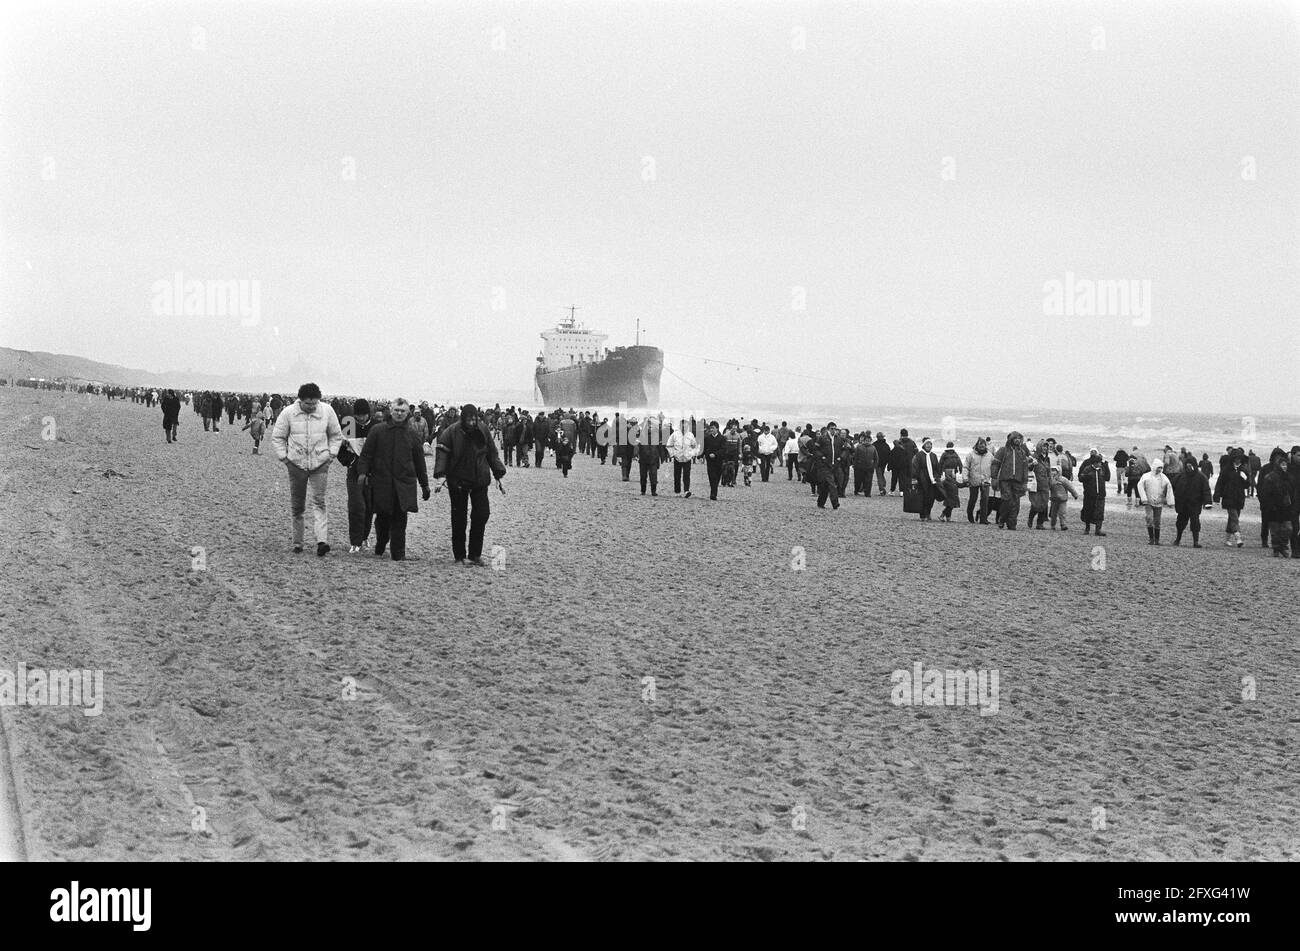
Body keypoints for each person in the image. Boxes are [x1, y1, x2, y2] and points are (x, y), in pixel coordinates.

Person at [270, 382, 343, 556]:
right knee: (297, 506)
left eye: (314, 403)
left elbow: (336, 435)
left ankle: (322, 542)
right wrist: (285, 458)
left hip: (320, 463)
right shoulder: (288, 413)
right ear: (300, 400)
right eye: (307, 403)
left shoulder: (327, 411)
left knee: (319, 502)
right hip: (296, 465)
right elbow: (278, 437)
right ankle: (298, 543)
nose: (311, 407)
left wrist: (331, 455)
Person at [356, 398, 430, 561]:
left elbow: (419, 462)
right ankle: (381, 543)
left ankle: (398, 553)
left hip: (404, 484)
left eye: (402, 411)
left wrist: (424, 485)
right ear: (391, 410)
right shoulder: (377, 430)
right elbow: (366, 455)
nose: (399, 413)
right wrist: (362, 473)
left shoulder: (412, 434)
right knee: (382, 518)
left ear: (407, 413)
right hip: (382, 482)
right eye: (396, 410)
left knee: (400, 518)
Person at [433, 403, 506, 566]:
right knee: (459, 519)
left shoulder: (483, 429)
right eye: (469, 420)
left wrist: (498, 474)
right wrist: (441, 476)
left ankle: (475, 554)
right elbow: (442, 454)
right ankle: (459, 556)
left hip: (479, 480)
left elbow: (492, 453)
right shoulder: (451, 432)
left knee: (482, 515)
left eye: (474, 419)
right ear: (463, 418)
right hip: (457, 480)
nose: (472, 423)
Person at [990, 431, 1029, 530]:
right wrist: (994, 478)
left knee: (1015, 503)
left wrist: (1025, 481)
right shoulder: (1003, 450)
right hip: (1005, 480)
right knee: (1006, 500)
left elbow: (1025, 468)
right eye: (1015, 438)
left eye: (1019, 438)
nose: (1017, 440)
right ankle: (1002, 519)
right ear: (1011, 439)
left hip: (1018, 480)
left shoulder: (1022, 452)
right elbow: (995, 464)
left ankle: (1012, 524)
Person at [1257, 454, 1293, 557]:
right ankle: (1277, 549)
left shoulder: (1288, 477)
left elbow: (1291, 491)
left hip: (1286, 507)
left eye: (1286, 464)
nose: (1284, 467)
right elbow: (1265, 493)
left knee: (1288, 528)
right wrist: (1269, 505)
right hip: (1273, 508)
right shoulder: (1270, 477)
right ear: (1278, 465)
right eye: (1282, 465)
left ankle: (1283, 546)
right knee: (1275, 530)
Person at [1171, 458, 1212, 547]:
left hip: (1195, 504)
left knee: (1195, 523)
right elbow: (1171, 487)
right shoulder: (1180, 476)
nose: (1189, 467)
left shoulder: (1201, 477)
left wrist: (1208, 503)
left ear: (1194, 465)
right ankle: (1178, 539)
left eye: (1191, 465)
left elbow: (1206, 490)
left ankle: (1195, 542)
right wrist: (1170, 498)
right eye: (1187, 465)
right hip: (1182, 504)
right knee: (1180, 523)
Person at [1212, 450, 1249, 548]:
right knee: (1234, 518)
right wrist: (1216, 496)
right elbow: (1220, 483)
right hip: (1228, 497)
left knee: (1232, 519)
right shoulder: (1226, 469)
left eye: (1239, 458)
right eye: (1236, 458)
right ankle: (1238, 538)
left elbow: (1247, 485)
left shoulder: (1243, 470)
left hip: (1239, 498)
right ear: (1233, 459)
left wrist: (1245, 478)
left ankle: (1227, 539)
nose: (1238, 460)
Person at [1137, 458, 1176, 545]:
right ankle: (1151, 539)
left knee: (1157, 521)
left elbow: (1169, 489)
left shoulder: (1164, 478)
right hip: (1148, 502)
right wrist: (1143, 498)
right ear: (1154, 467)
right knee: (1149, 519)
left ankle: (1157, 540)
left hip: (1159, 503)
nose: (1160, 469)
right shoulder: (1146, 476)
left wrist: (1170, 502)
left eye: (1161, 468)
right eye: (1158, 467)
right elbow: (1140, 486)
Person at [806, 425, 840, 510]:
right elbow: (815, 449)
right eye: (832, 429)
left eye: (835, 429)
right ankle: (835, 503)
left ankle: (820, 503)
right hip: (824, 465)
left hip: (834, 465)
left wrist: (841, 457)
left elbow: (844, 449)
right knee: (832, 484)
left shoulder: (838, 439)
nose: (833, 430)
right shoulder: (822, 438)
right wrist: (822, 457)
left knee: (825, 485)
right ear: (828, 429)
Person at [1077, 448, 1110, 536]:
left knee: (1100, 512)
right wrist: (1088, 476)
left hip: (1100, 495)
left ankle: (1098, 530)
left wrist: (1107, 466)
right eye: (1099, 463)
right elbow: (1080, 478)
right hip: (1089, 495)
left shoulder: (1102, 469)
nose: (1100, 464)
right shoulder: (1088, 469)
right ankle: (1087, 529)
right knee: (1088, 511)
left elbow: (1107, 478)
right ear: (1095, 463)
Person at [965, 437, 993, 524]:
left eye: (983, 446)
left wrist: (995, 479)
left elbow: (994, 467)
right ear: (977, 445)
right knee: (973, 499)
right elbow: (966, 467)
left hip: (985, 481)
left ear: (985, 446)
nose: (982, 447)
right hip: (973, 480)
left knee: (985, 500)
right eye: (980, 446)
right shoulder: (971, 455)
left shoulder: (990, 455)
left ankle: (983, 519)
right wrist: (965, 478)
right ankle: (970, 516)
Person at [667, 418, 697, 497]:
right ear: (680, 426)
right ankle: (677, 491)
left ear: (687, 426)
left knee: (686, 475)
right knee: (677, 475)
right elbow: (668, 445)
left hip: (687, 458)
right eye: (682, 425)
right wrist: (673, 454)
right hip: (678, 458)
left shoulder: (690, 435)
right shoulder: (675, 434)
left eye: (685, 426)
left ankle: (686, 491)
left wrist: (692, 454)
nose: (684, 427)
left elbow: (694, 446)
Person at [912, 437, 940, 521]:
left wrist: (937, 477)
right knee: (923, 498)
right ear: (924, 445)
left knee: (931, 498)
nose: (929, 445)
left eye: (930, 444)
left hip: (932, 480)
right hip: (922, 479)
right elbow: (915, 467)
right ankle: (923, 515)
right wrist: (914, 479)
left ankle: (928, 512)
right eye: (927, 444)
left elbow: (937, 468)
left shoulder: (933, 456)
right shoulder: (919, 455)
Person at [1046, 465, 1079, 529]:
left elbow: (1070, 487)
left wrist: (1075, 494)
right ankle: (1053, 525)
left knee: (1062, 513)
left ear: (1059, 471)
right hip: (1054, 499)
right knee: (1053, 514)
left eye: (1054, 470)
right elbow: (1047, 487)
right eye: (1052, 470)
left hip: (1063, 499)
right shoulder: (1050, 480)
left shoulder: (1063, 480)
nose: (1053, 472)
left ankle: (1063, 525)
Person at [702, 420, 727, 501]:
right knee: (711, 477)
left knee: (717, 477)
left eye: (713, 428)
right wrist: (701, 455)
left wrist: (715, 454)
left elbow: (723, 449)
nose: (711, 430)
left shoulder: (722, 438)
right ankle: (713, 494)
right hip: (710, 461)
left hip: (719, 461)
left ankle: (714, 492)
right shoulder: (707, 438)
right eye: (710, 428)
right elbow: (704, 449)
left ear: (717, 428)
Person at [938, 441, 962, 520]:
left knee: (952, 492)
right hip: (949, 473)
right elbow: (959, 463)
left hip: (951, 473)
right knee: (951, 492)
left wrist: (940, 472)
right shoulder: (952, 454)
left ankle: (948, 517)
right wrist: (940, 472)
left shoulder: (946, 454)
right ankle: (946, 515)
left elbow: (940, 463)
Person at [636, 419, 660, 495]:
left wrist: (662, 457)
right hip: (643, 458)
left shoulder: (657, 434)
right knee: (643, 475)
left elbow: (660, 447)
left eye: (651, 424)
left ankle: (653, 491)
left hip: (653, 458)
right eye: (648, 424)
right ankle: (643, 491)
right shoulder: (641, 434)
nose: (649, 426)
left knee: (653, 476)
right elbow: (637, 445)